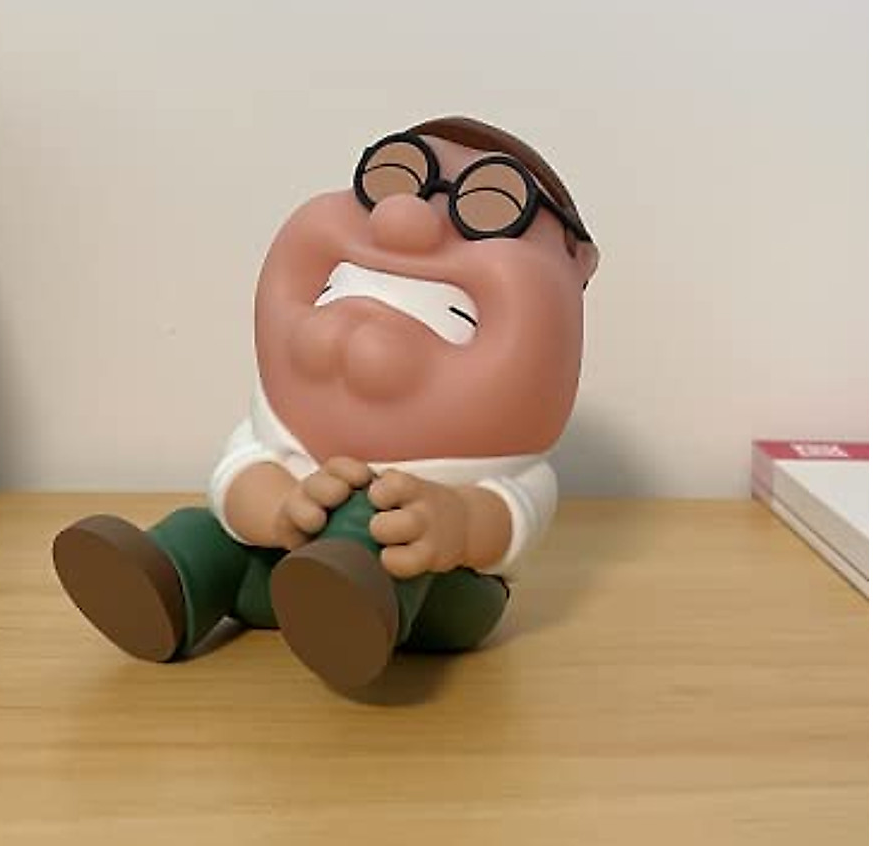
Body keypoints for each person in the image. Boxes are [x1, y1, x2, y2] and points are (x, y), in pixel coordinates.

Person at [53, 116, 599, 689]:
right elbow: (238, 471)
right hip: (273, 568)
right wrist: (279, 508)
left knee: (377, 520)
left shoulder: (514, 470)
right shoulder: (277, 419)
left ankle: (353, 607)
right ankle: (167, 585)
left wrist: (456, 523)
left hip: (429, 595)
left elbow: (512, 517)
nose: (406, 215)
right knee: (204, 530)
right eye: (399, 173)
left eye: (490, 199)